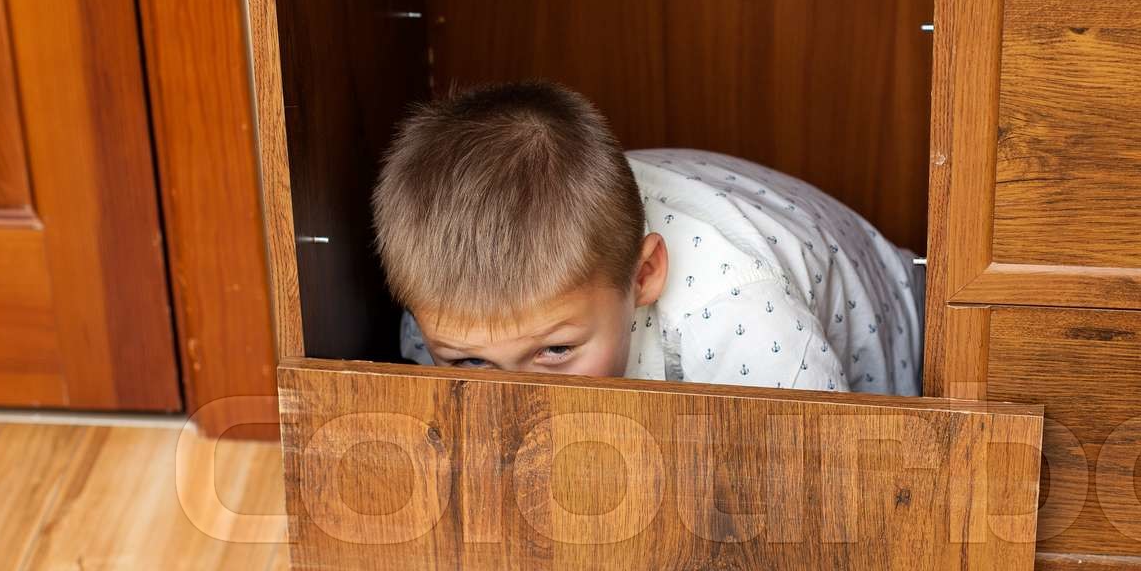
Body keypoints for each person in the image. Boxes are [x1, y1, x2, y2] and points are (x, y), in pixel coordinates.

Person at [373, 81, 922, 394]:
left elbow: (824, 484)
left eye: (556, 351)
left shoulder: (745, 325)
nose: (519, 399)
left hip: (888, 307)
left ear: (643, 275)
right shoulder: (451, 307)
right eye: (470, 365)